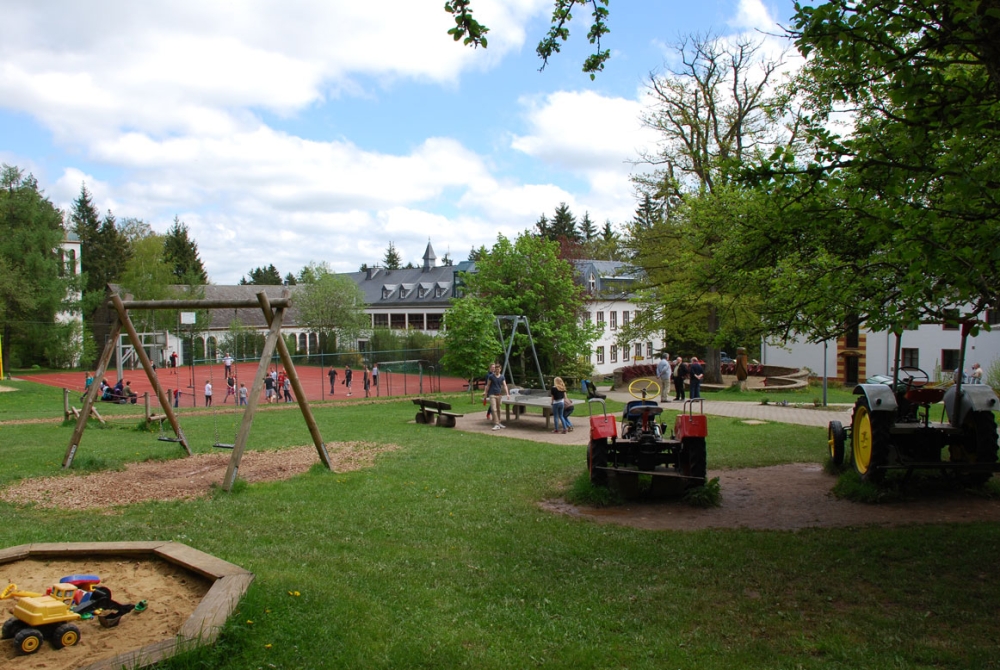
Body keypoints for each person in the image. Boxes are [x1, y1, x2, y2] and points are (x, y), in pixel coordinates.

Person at [483, 363, 508, 430]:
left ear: (500, 369)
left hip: (499, 395)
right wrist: (485, 393)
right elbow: (487, 385)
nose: (497, 370)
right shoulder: (491, 376)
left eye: (498, 369)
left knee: (499, 409)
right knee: (494, 409)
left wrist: (507, 393)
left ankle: (499, 422)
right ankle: (496, 424)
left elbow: (505, 385)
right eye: (496, 369)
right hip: (492, 395)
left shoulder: (502, 377)